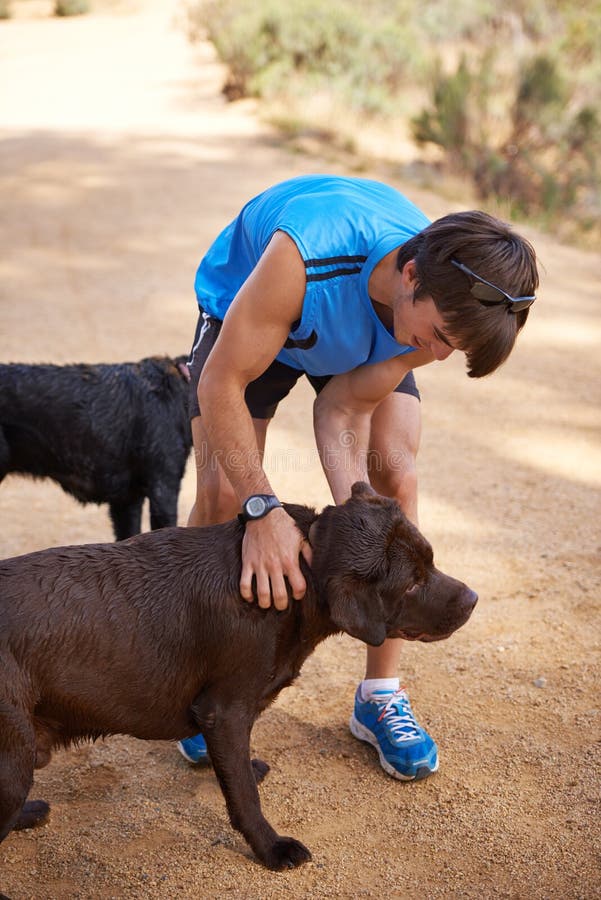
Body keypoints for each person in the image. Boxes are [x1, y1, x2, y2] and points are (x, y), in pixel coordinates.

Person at [176, 174, 538, 781]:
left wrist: (362, 518)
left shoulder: (440, 313)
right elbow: (221, 384)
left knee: (395, 481)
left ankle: (380, 695)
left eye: (454, 347)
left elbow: (341, 407)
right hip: (260, 305)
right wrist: (263, 510)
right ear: (413, 276)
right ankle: (195, 684)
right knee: (222, 493)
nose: (440, 355)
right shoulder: (305, 255)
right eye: (444, 339)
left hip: (371, 323)